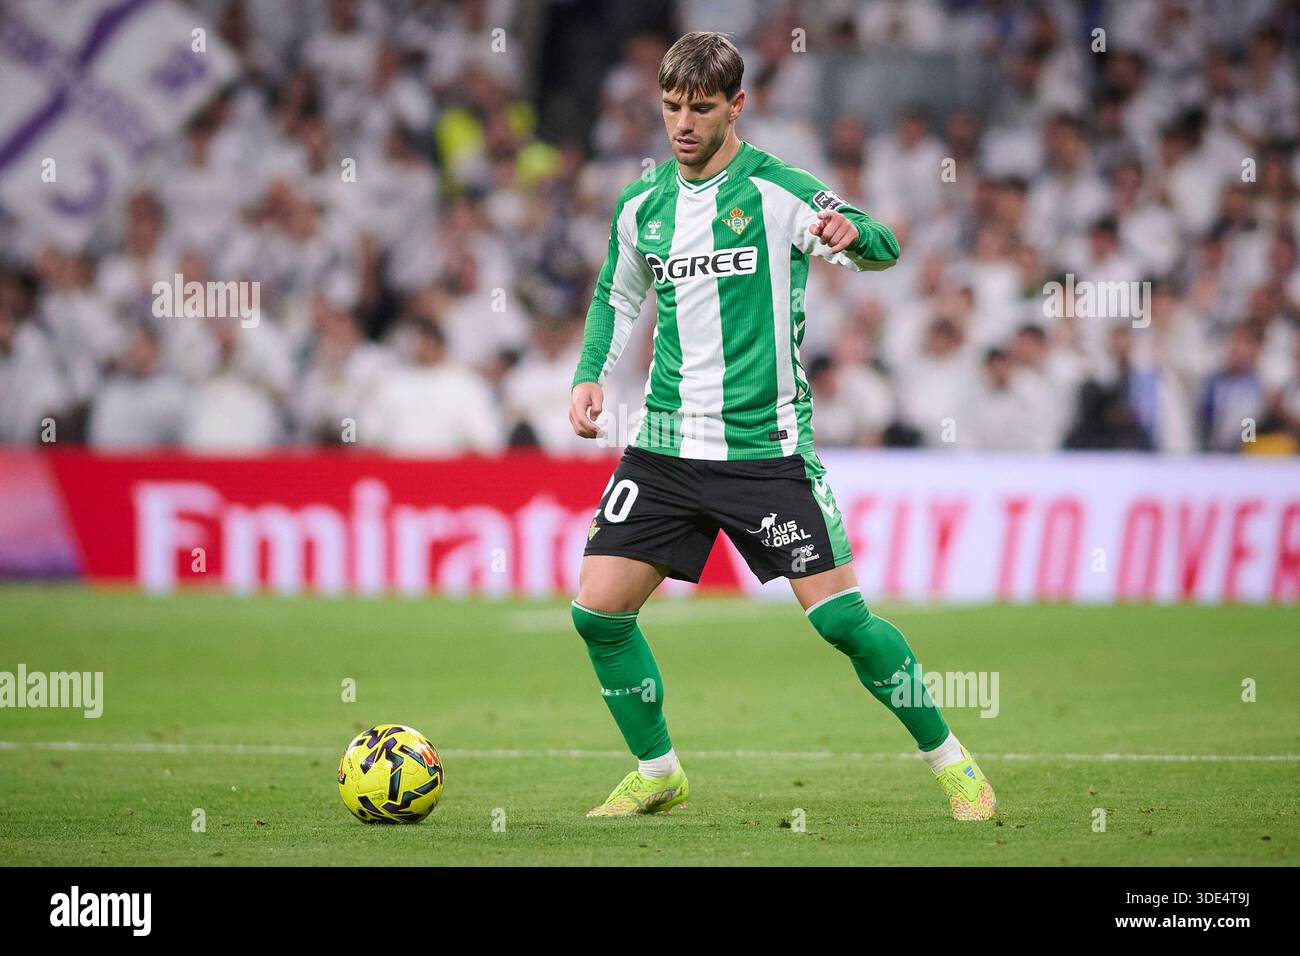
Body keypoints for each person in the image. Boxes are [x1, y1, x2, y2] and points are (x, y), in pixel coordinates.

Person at [566, 32, 996, 821]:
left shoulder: (779, 189)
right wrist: (590, 372)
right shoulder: (641, 205)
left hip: (765, 452)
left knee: (842, 622)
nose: (682, 125)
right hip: (663, 447)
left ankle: (954, 762)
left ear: (737, 105)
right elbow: (615, 297)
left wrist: (851, 235)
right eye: (670, 108)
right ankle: (658, 770)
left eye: (700, 109)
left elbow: (885, 246)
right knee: (596, 612)